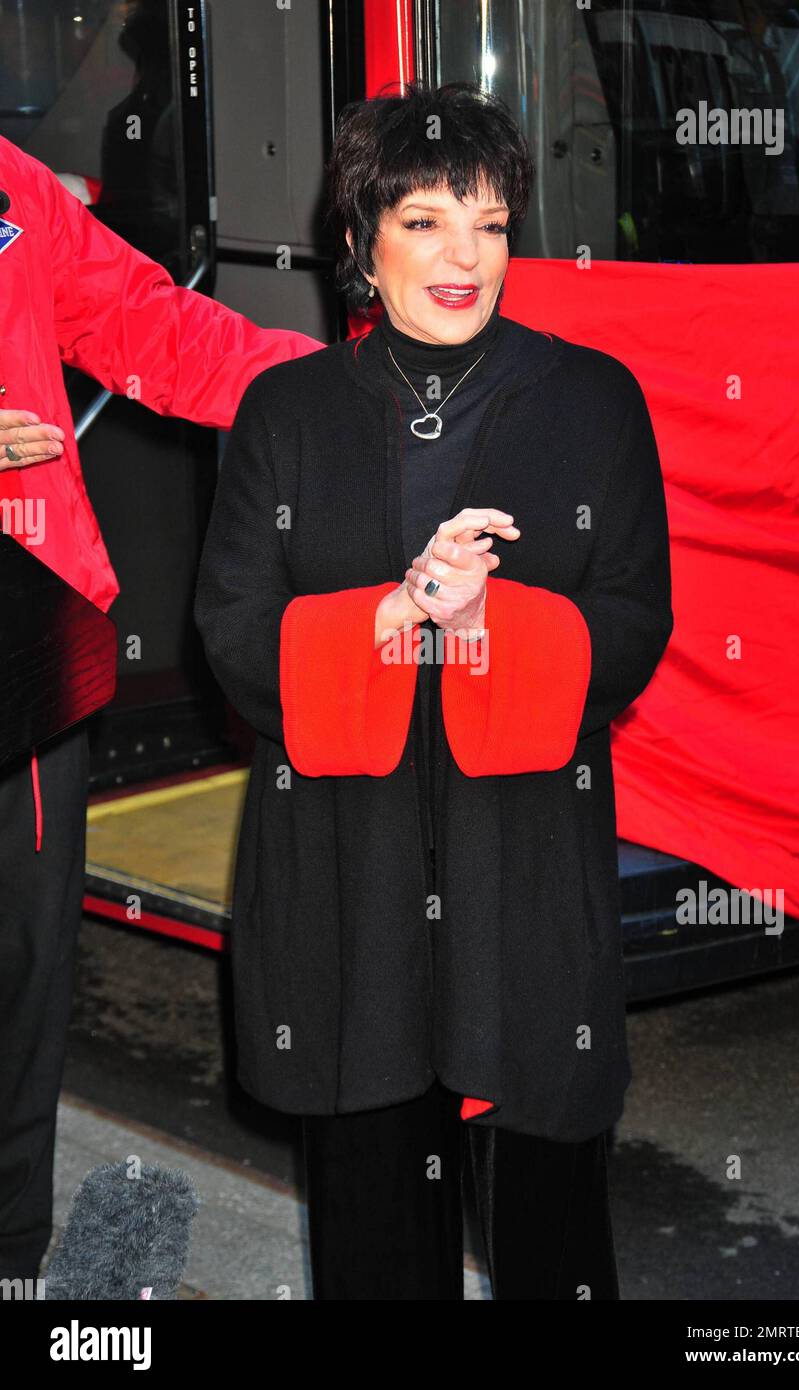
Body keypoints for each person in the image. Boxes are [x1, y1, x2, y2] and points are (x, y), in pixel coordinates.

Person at [193, 82, 674, 1300]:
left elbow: (632, 626)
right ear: (360, 240)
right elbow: (236, 641)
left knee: (553, 1230)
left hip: (522, 870)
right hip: (348, 880)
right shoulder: (285, 412)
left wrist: (489, 621)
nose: (464, 257)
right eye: (423, 221)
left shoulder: (593, 402)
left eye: (491, 223)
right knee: (370, 1231)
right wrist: (401, 611)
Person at [0, 133, 324, 1283]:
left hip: (21, 643)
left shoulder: (12, 186)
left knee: (25, 971)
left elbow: (150, 324)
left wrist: (325, 388)